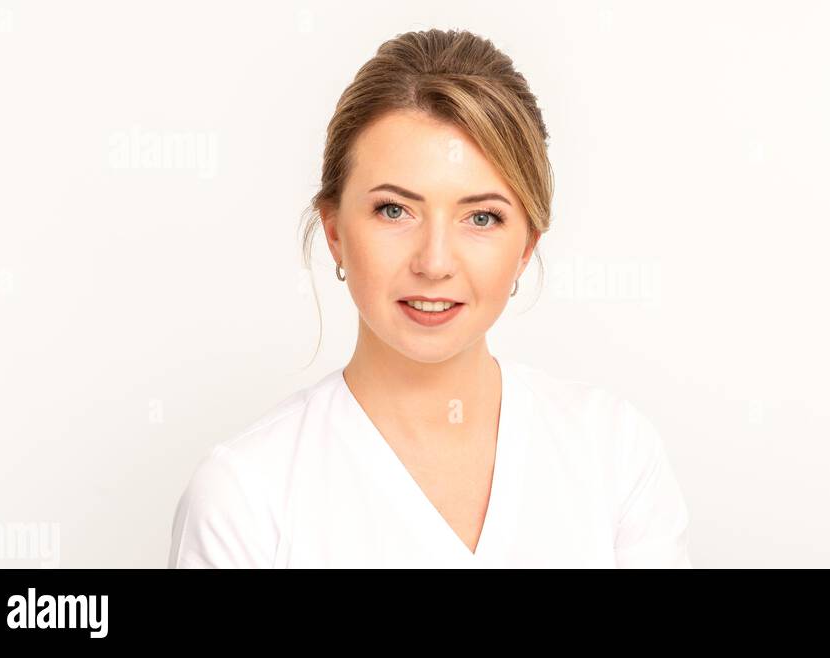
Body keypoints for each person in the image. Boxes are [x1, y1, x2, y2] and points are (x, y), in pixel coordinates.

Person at [167, 29, 692, 568]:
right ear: (334, 232)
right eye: (395, 210)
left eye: (481, 217)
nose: (435, 262)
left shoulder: (615, 454)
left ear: (526, 247)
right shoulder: (245, 496)